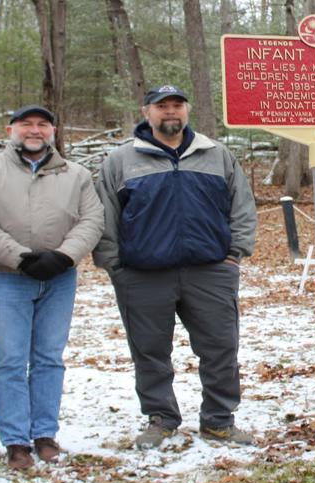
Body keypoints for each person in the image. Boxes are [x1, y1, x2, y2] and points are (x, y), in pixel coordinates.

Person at [92, 85, 259, 448]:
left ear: (187, 110)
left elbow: (242, 206)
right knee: (150, 352)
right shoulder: (122, 160)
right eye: (161, 106)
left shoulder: (216, 154)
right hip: (142, 274)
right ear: (146, 112)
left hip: (211, 270)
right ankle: (161, 419)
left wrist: (234, 254)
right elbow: (105, 215)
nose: (170, 111)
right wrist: (115, 266)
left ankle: (218, 420)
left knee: (221, 349)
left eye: (177, 105)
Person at [0, 105, 103, 470]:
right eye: (26, 124)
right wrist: (19, 257)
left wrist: (65, 256)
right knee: (9, 358)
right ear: (11, 130)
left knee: (49, 357)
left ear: (53, 131)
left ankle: (44, 434)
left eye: (42, 124)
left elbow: (92, 219)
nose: (34, 130)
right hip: (7, 276)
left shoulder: (76, 174)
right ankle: (16, 441)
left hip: (59, 277)